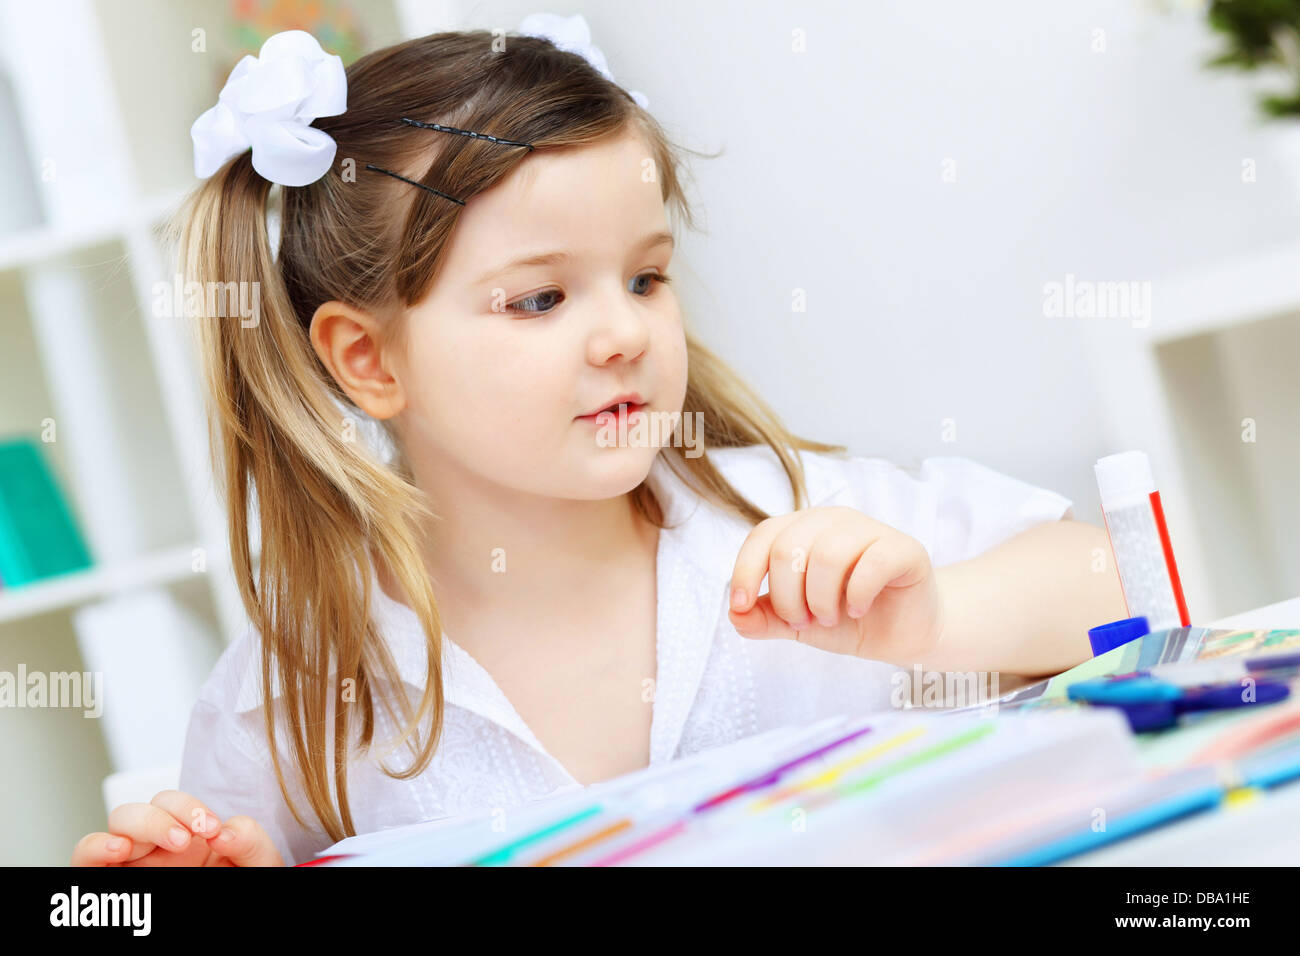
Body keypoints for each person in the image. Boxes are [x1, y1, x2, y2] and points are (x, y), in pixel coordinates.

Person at [72, 19, 1124, 867]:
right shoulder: (290, 696)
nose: (625, 332)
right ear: (367, 360)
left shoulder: (789, 519)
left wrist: (936, 615)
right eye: (538, 298)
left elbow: (1124, 578)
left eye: (646, 277)